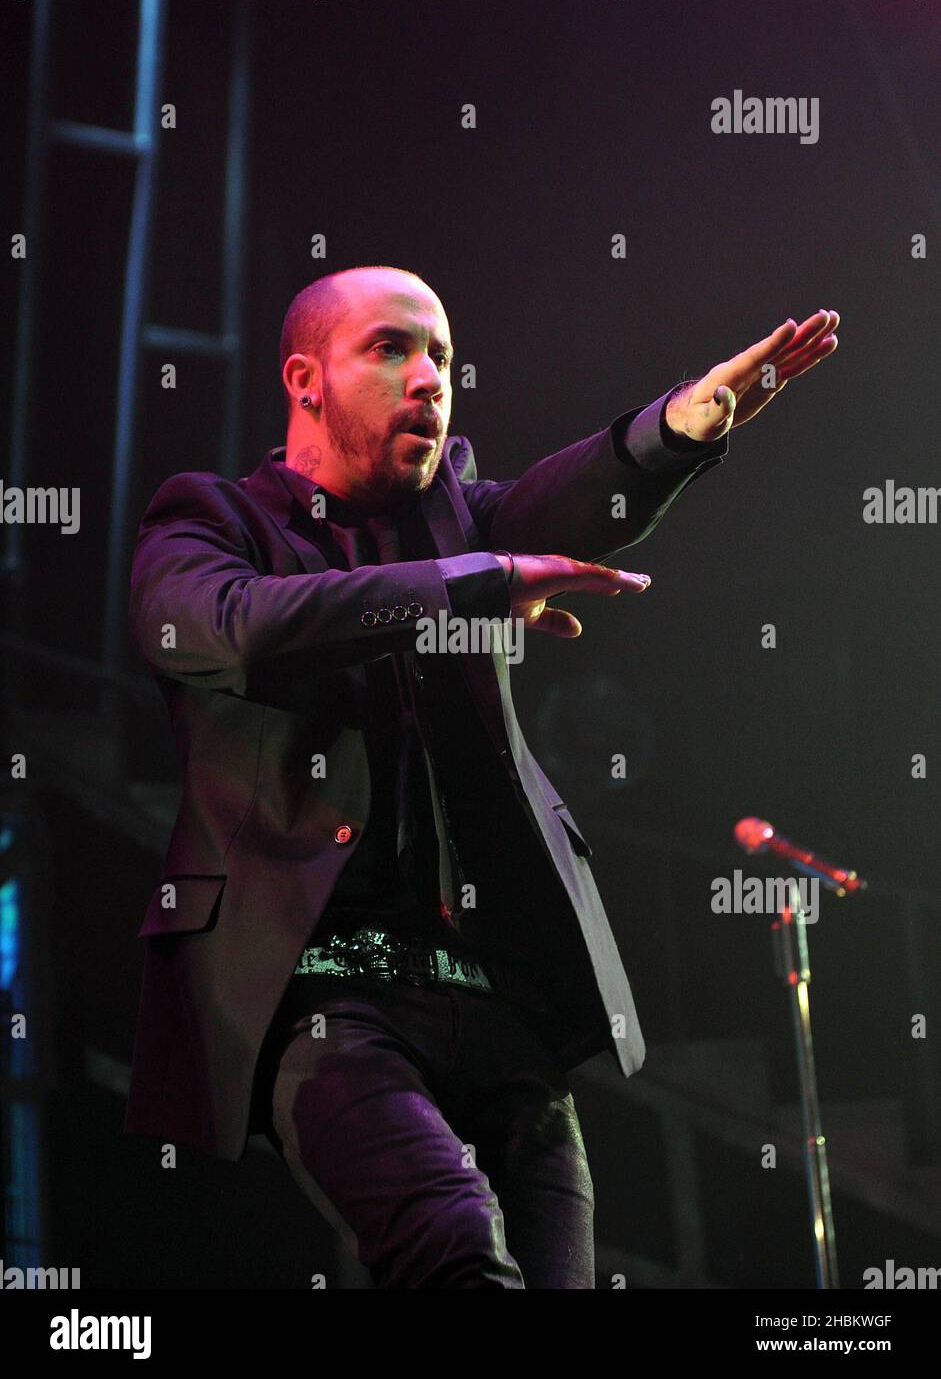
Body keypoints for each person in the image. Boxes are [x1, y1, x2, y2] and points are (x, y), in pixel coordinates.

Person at [124, 265, 839, 1287]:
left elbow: (565, 500)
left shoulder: (462, 520)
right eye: (391, 349)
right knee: (456, 1250)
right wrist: (475, 584)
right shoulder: (211, 521)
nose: (430, 378)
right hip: (326, 1003)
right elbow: (228, 627)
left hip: (503, 1012)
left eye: (444, 357)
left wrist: (675, 429)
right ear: (303, 379)